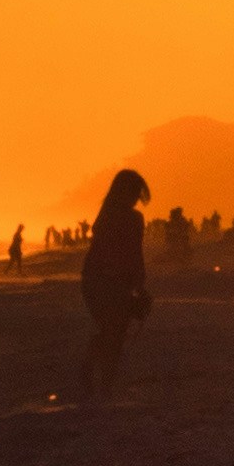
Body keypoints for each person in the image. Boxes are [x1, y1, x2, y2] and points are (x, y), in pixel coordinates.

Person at [79, 170, 154, 397]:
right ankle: (100, 380)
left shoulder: (107, 215)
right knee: (114, 332)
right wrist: (136, 280)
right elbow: (131, 254)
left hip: (100, 280)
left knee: (113, 332)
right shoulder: (126, 218)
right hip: (105, 281)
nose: (135, 197)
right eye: (134, 192)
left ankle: (97, 376)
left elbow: (131, 253)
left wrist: (136, 281)